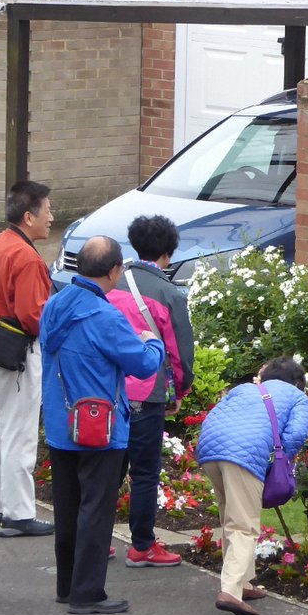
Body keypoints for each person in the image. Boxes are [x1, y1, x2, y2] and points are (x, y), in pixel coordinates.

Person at [40, 236, 164, 615]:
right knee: (96, 509)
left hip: (62, 424)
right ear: (114, 270)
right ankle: (88, 593)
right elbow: (143, 365)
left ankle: (67, 586)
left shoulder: (55, 304)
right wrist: (152, 340)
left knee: (67, 509)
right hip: (99, 429)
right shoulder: (106, 316)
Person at [195, 356, 308, 615]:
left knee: (231, 518)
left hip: (210, 451)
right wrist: (280, 463)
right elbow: (295, 436)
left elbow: (217, 415)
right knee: (243, 525)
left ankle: (243, 583)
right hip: (244, 455)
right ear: (298, 383)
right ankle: (230, 591)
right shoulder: (298, 398)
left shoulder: (243, 389)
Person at [107, 215, 195, 568]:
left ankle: (98, 540)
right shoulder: (169, 294)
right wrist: (181, 387)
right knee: (144, 472)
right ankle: (142, 545)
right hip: (147, 393)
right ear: (168, 253)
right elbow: (179, 353)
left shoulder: (113, 283)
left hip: (110, 389)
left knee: (109, 468)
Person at [0, 181, 56, 538]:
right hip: (20, 351)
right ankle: (19, 513)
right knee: (19, 433)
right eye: (48, 210)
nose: (52, 217)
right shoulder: (27, 257)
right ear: (29, 216)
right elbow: (33, 316)